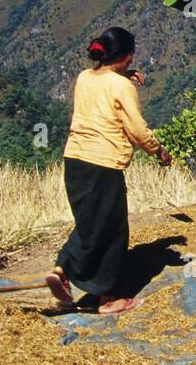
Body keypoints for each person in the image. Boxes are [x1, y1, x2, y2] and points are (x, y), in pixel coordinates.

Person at [45, 27, 171, 313]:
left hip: (74, 161)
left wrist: (124, 76)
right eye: (130, 57)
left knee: (90, 224)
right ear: (126, 56)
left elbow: (104, 86)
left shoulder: (84, 77)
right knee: (113, 230)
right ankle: (108, 298)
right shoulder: (122, 87)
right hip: (103, 165)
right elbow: (137, 128)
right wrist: (158, 151)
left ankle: (61, 271)